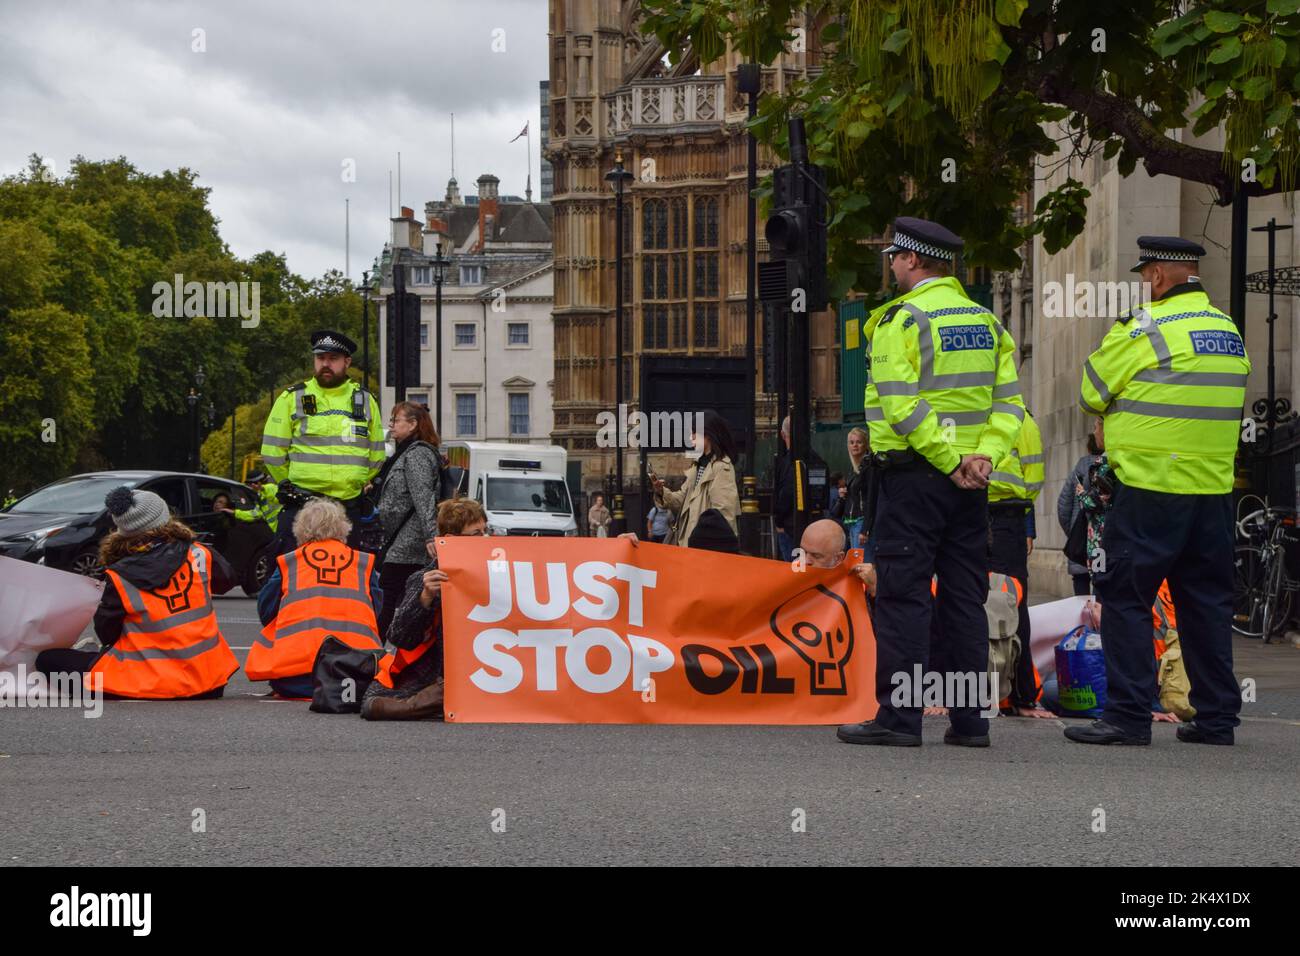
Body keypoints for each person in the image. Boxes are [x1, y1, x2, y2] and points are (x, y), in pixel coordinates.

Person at [837, 216, 1025, 749]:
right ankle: (970, 724)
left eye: (894, 256)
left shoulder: (904, 319)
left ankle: (899, 718)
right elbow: (1008, 405)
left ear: (913, 261)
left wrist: (947, 461)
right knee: (965, 600)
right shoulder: (988, 324)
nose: (891, 264)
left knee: (903, 596)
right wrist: (981, 459)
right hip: (971, 486)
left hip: (915, 480)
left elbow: (900, 405)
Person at [1065, 236, 1249, 747]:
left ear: (1157, 276)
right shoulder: (1226, 329)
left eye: (1145, 275)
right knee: (1206, 604)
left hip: (1149, 487)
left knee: (1126, 597)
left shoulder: (1146, 327)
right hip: (1212, 491)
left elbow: (1090, 392)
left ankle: (1126, 716)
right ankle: (1216, 720)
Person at [34, 486, 240, 699]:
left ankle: (91, 659)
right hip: (209, 681)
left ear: (123, 530)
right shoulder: (198, 553)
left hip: (148, 682)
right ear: (165, 518)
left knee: (48, 659)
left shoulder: (119, 576)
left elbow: (108, 634)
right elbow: (227, 581)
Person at [259, 330, 385, 555]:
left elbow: (376, 455)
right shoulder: (292, 398)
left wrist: (354, 481)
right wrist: (290, 483)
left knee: (349, 576)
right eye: (320, 358)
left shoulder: (365, 401)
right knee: (285, 575)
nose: (325, 364)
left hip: (348, 506)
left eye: (333, 359)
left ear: (347, 362)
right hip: (302, 505)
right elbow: (272, 452)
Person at [362, 497, 488, 720]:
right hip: (434, 674)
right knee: (375, 704)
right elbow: (399, 637)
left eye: (486, 532)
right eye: (477, 534)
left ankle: (448, 696)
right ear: (451, 540)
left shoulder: (496, 574)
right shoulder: (424, 579)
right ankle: (438, 698)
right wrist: (425, 597)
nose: (486, 539)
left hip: (486, 665)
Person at [250, 497, 383, 699]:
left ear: (301, 529)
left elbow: (266, 612)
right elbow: (377, 612)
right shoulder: (362, 563)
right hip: (354, 674)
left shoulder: (291, 563)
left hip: (295, 678)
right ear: (343, 528)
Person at [987, 409, 1049, 717]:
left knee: (958, 598)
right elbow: (1034, 477)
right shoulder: (1022, 419)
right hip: (1007, 517)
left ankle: (954, 691)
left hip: (969, 514)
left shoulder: (964, 409)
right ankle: (1021, 695)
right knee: (1013, 601)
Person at [374, 400, 443, 640]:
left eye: (396, 420)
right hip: (402, 541)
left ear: (413, 424)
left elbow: (423, 497)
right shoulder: (406, 454)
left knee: (388, 599)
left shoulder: (417, 455)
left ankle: (376, 656)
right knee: (394, 600)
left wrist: (429, 536)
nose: (391, 425)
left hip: (408, 544)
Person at [652, 409, 740, 547]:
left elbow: (724, 515)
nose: (690, 437)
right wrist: (661, 491)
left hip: (705, 547)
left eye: (694, 433)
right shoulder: (697, 466)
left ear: (708, 434)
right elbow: (681, 500)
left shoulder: (722, 467)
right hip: (689, 544)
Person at [1057, 418, 1104, 595]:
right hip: (1103, 542)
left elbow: (1063, 505)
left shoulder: (1079, 468)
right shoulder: (1110, 466)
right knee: (1101, 586)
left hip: (1081, 539)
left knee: (1081, 589)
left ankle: (1084, 622)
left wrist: (1073, 531)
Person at [800, 518, 876, 594]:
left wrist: (874, 589)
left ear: (838, 558)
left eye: (816, 556)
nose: (805, 561)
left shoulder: (858, 584)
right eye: (803, 552)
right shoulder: (792, 576)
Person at [843, 427, 872, 551]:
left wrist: (865, 529)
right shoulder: (854, 470)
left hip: (861, 523)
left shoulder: (869, 467)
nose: (855, 445)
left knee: (861, 566)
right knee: (856, 565)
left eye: (859, 442)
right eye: (852, 442)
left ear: (865, 445)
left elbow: (872, 498)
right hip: (851, 523)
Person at [772, 416, 795, 561]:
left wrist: (779, 522)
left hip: (788, 526)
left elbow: (786, 492)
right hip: (812, 525)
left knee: (793, 569)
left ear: (782, 434)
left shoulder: (787, 462)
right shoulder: (815, 459)